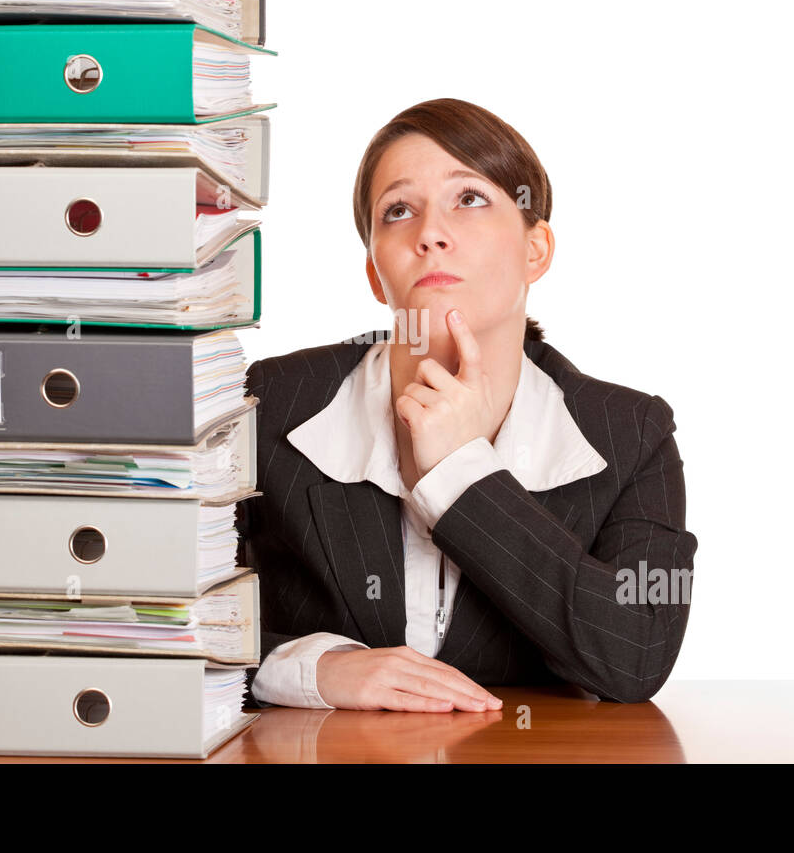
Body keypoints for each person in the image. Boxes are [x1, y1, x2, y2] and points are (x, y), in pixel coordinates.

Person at [235, 98, 697, 712]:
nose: (429, 233)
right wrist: (313, 671)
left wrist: (463, 472)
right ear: (376, 272)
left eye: (470, 198)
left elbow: (634, 656)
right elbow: (164, 620)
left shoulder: (631, 435)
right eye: (398, 211)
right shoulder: (271, 404)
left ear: (536, 250)